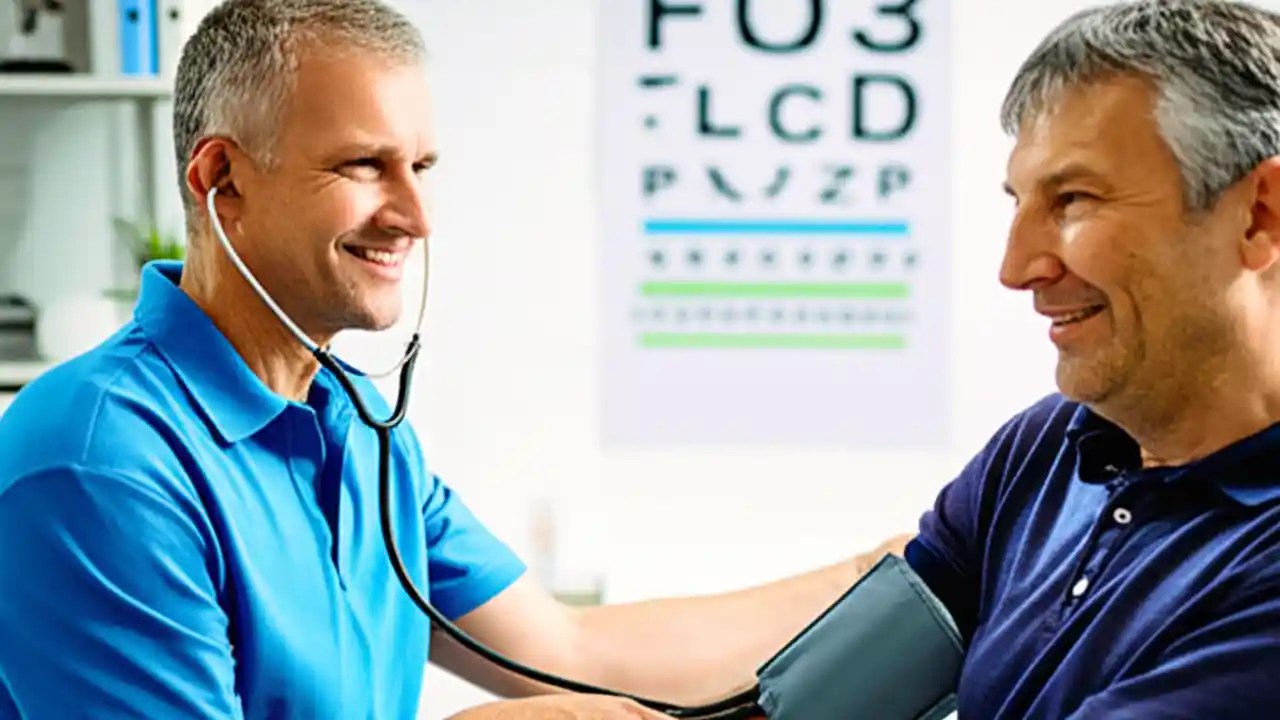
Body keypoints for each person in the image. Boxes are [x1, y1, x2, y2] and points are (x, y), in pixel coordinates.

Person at [0, 1, 909, 718]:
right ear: (222, 180)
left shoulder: (358, 427)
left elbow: (571, 652)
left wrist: (892, 574)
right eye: (363, 165)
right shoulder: (95, 463)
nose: (415, 215)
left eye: (420, 168)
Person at [898, 0, 1280, 717]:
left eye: (1073, 199)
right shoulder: (1049, 448)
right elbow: (830, 681)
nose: (1017, 267)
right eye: (1020, 202)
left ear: (1260, 213)